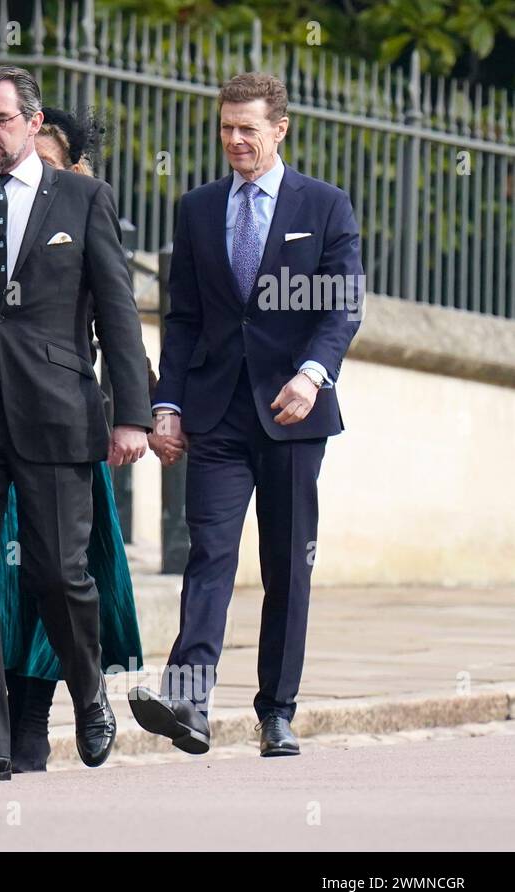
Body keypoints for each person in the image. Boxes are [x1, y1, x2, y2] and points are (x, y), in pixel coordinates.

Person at [0, 66, 153, 784]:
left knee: (59, 573)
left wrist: (132, 415)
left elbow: (118, 311)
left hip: (56, 414)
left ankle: (87, 688)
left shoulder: (83, 198)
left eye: (0, 119)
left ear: (30, 120)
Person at [132, 73, 363, 758]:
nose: (234, 140)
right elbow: (182, 316)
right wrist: (166, 403)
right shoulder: (198, 208)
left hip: (293, 413)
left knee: (288, 564)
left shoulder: (324, 206)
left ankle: (277, 710)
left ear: (279, 129)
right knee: (210, 553)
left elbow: (341, 307)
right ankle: (191, 701)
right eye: (226, 127)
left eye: (248, 129)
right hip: (217, 414)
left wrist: (313, 376)